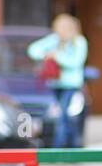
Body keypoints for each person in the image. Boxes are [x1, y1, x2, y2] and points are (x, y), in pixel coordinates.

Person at [27, 13, 89, 149]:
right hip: (55, 85)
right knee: (58, 118)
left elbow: (75, 62)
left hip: (71, 87)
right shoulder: (54, 40)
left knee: (66, 118)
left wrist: (57, 57)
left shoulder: (78, 42)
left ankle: (62, 148)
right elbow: (33, 50)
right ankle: (61, 148)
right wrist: (45, 55)